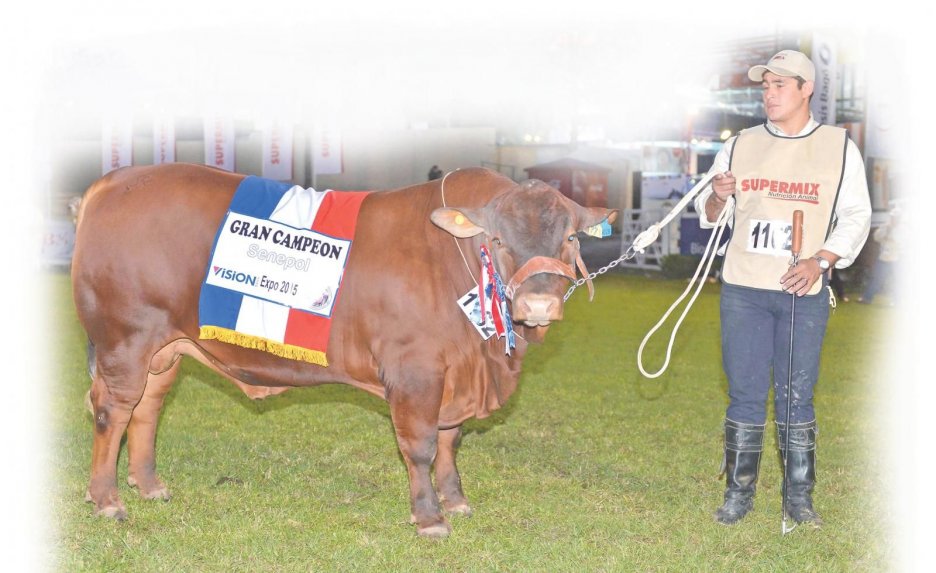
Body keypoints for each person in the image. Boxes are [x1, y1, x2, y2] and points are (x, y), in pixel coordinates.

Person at [694, 50, 872, 527]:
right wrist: (716, 196)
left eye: (779, 85)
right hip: (744, 289)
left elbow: (856, 215)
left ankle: (799, 498)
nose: (769, 94)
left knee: (797, 397)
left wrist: (821, 260)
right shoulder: (739, 145)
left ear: (806, 89)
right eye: (765, 86)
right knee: (745, 394)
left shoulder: (838, 146)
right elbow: (710, 218)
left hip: (803, 290)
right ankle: (738, 494)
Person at [858, 206, 902, 304]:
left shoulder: (903, 229)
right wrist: (887, 231)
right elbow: (876, 238)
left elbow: (902, 242)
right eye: (893, 217)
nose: (894, 219)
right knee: (876, 279)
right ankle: (866, 298)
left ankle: (897, 301)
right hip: (884, 258)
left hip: (897, 259)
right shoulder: (885, 226)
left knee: (898, 282)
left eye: (896, 217)